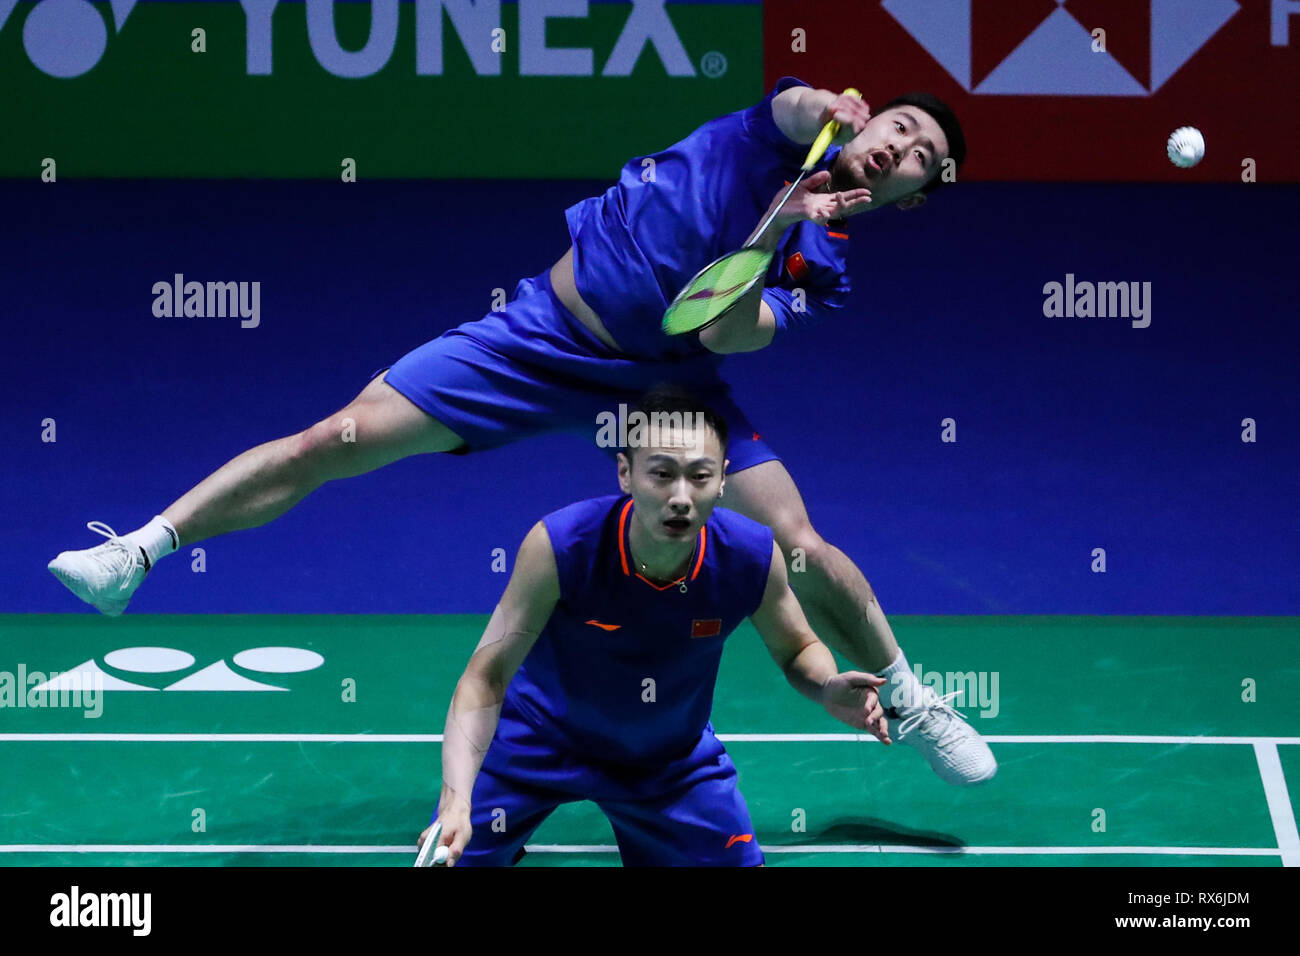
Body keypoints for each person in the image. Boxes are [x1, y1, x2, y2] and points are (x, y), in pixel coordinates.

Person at [49, 76, 995, 785]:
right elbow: (793, 107)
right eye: (899, 125)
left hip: (666, 383)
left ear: (913, 194)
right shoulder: (785, 125)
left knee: (796, 544)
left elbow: (719, 329)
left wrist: (784, 230)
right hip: (540, 337)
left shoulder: (821, 266)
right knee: (333, 439)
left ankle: (908, 700)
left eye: (918, 156)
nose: (898, 144)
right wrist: (814, 119)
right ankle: (139, 551)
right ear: (868, 118)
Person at [418, 392, 891, 866]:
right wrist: (457, 797)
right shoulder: (561, 546)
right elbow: (486, 676)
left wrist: (826, 687)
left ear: (723, 479)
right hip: (537, 744)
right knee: (451, 855)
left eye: (700, 476)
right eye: (661, 474)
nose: (681, 498)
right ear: (625, 473)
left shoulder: (749, 556)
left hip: (668, 764)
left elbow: (797, 648)